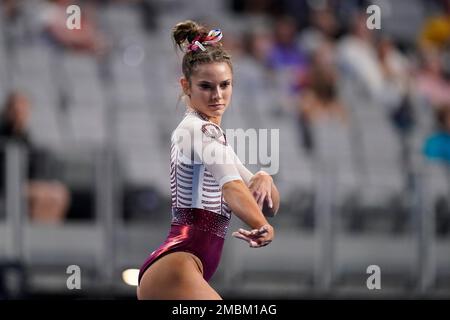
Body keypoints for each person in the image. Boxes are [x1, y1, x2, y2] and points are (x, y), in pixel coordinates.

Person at [137, 20, 280, 300]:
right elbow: (233, 188)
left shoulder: (214, 137)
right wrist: (261, 224)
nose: (217, 95)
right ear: (186, 86)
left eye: (224, 85)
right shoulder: (196, 130)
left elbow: (271, 203)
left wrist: (264, 177)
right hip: (176, 267)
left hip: (180, 269)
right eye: (206, 86)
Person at [0, 91, 70, 223]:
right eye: (16, 109)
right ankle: (34, 235)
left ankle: (45, 234)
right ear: (8, 110)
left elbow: (34, 165)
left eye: (24, 109)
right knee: (43, 195)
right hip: (7, 184)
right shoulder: (4, 134)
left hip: (24, 183)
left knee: (59, 193)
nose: (20, 113)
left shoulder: (25, 136)